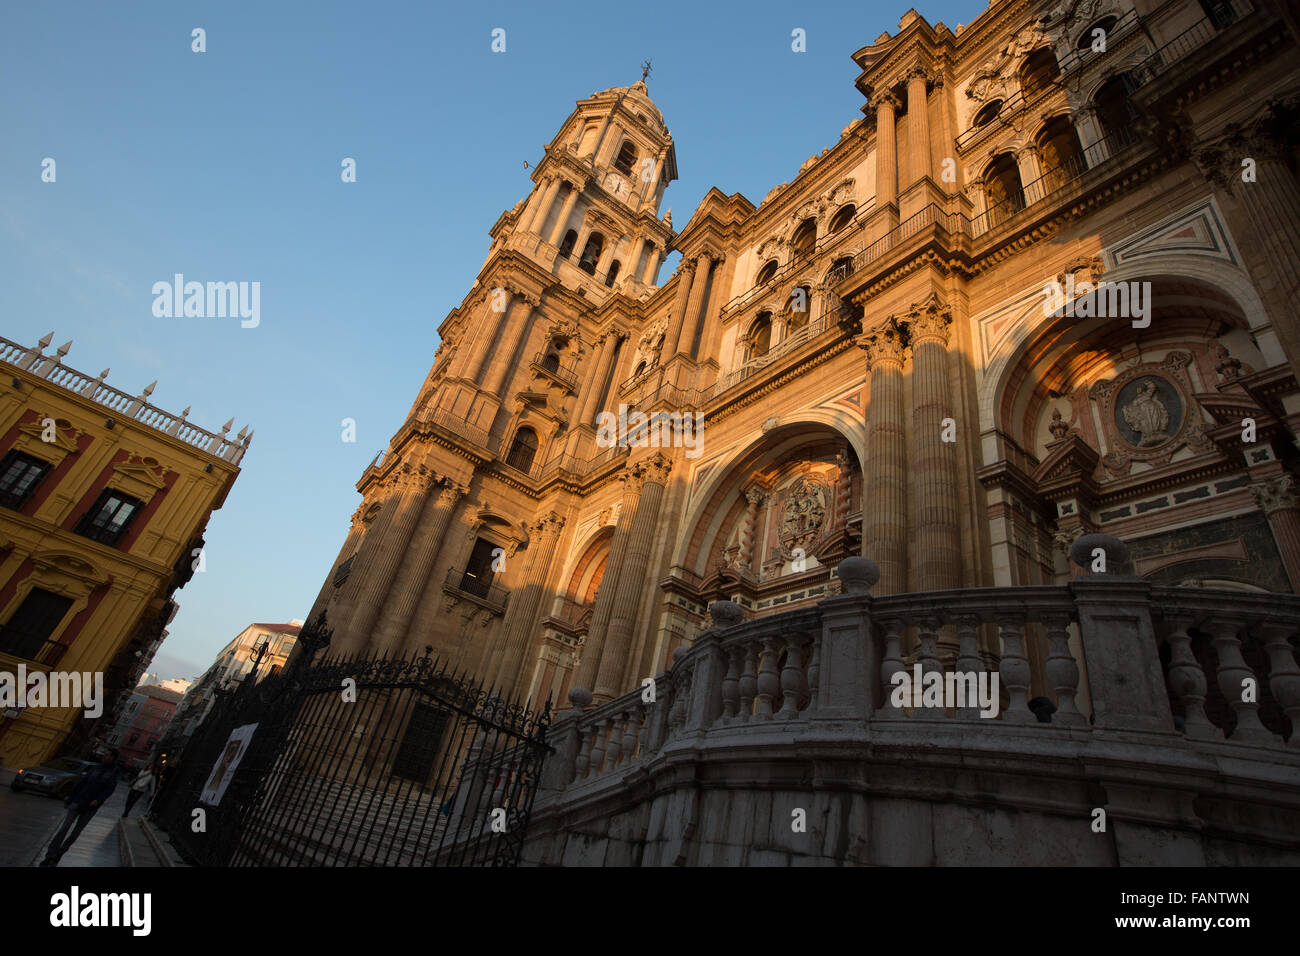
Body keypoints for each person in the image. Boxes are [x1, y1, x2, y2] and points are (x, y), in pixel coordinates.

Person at [39, 748, 121, 867]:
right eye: (104, 754)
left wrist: (98, 800)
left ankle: (60, 853)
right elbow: (81, 783)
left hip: (91, 806)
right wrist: (70, 798)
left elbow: (110, 789)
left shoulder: (115, 772)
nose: (104, 757)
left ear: (113, 757)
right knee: (64, 828)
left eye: (107, 755)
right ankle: (50, 855)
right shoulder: (96, 768)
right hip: (78, 801)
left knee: (76, 832)